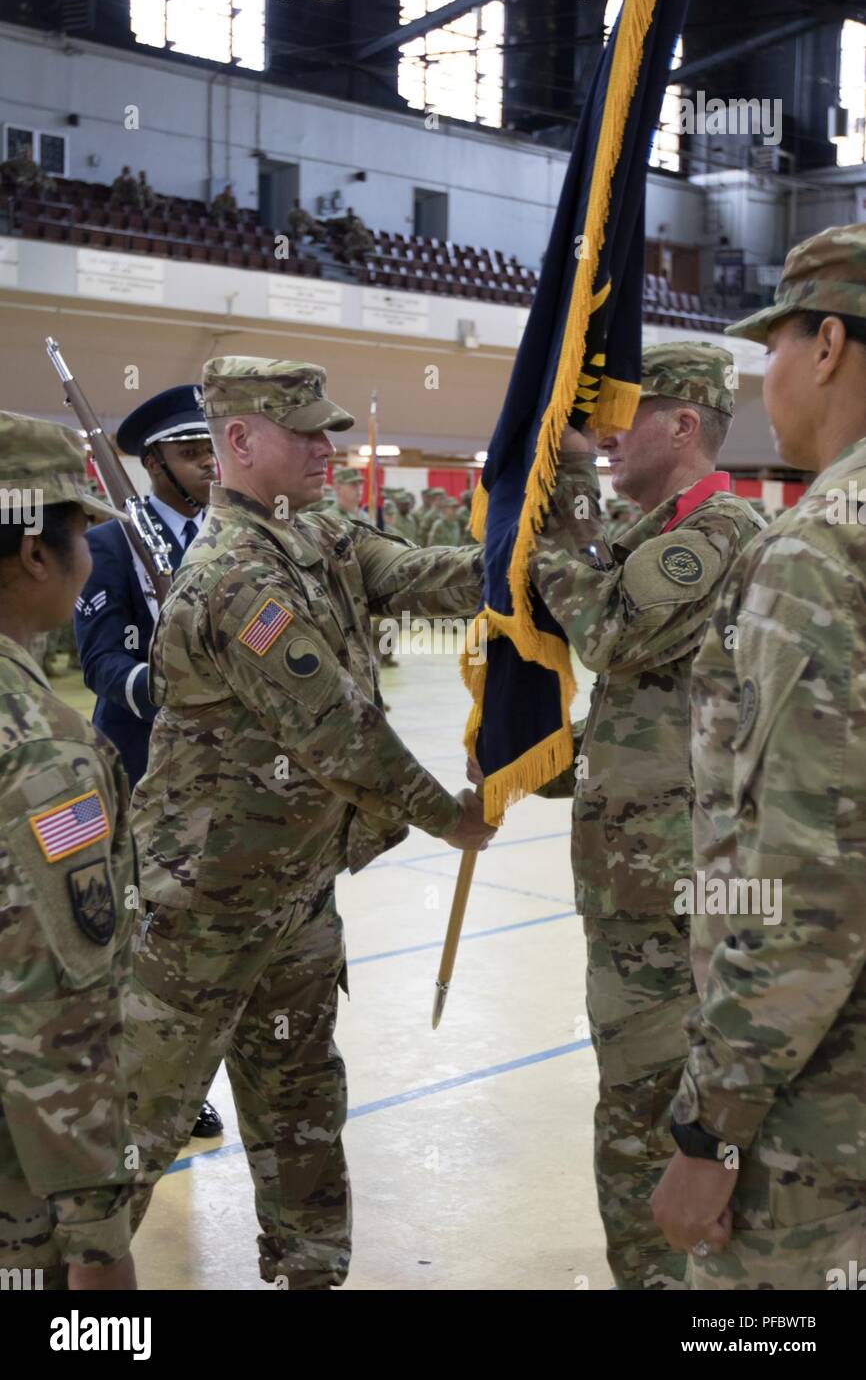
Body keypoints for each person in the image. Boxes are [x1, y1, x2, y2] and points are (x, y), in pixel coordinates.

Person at [126, 356, 495, 1290]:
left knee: (299, 1102)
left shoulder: (314, 531)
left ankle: (308, 1274)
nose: (329, 447)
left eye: (329, 427)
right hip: (201, 911)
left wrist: (514, 568)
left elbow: (412, 572)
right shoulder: (230, 577)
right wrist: (449, 816)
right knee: (137, 1120)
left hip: (293, 895)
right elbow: (335, 730)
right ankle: (58, 1287)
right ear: (240, 441)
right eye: (306, 431)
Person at [651, 224, 866, 1290]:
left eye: (772, 347)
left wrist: (711, 1132)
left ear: (825, 345)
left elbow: (811, 879)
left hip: (816, 1118)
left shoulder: (820, 549)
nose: (763, 377)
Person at [527, 343, 765, 1290]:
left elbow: (614, 634)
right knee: (635, 1113)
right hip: (638, 882)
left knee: (646, 1127)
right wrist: (546, 762)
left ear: (685, 423)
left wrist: (543, 537)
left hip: (672, 896)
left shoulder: (712, 530)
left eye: (632, 412)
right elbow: (659, 711)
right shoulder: (656, 531)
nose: (611, 432)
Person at [0, 412, 138, 1291]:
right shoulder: (39, 748)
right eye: (80, 532)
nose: (90, 559)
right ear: (36, 556)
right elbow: (54, 1014)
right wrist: (99, 1244)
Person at [73, 385, 223, 1143]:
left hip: (220, 778)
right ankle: (132, 1083)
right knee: (136, 935)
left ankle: (184, 1081)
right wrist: (178, 686)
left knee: (201, 942)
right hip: (139, 769)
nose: (209, 462)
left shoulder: (227, 537)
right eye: (192, 450)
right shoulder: (108, 544)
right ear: (153, 460)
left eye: (213, 447)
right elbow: (101, 665)